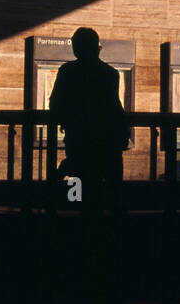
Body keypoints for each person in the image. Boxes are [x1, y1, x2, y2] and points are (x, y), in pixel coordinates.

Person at [48, 27, 129, 212]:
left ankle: (74, 215)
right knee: (107, 187)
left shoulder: (68, 71)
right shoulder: (110, 73)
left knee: (79, 183)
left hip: (78, 139)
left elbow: (56, 103)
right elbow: (113, 106)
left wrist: (65, 120)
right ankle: (107, 226)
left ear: (76, 48)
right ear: (97, 47)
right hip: (106, 142)